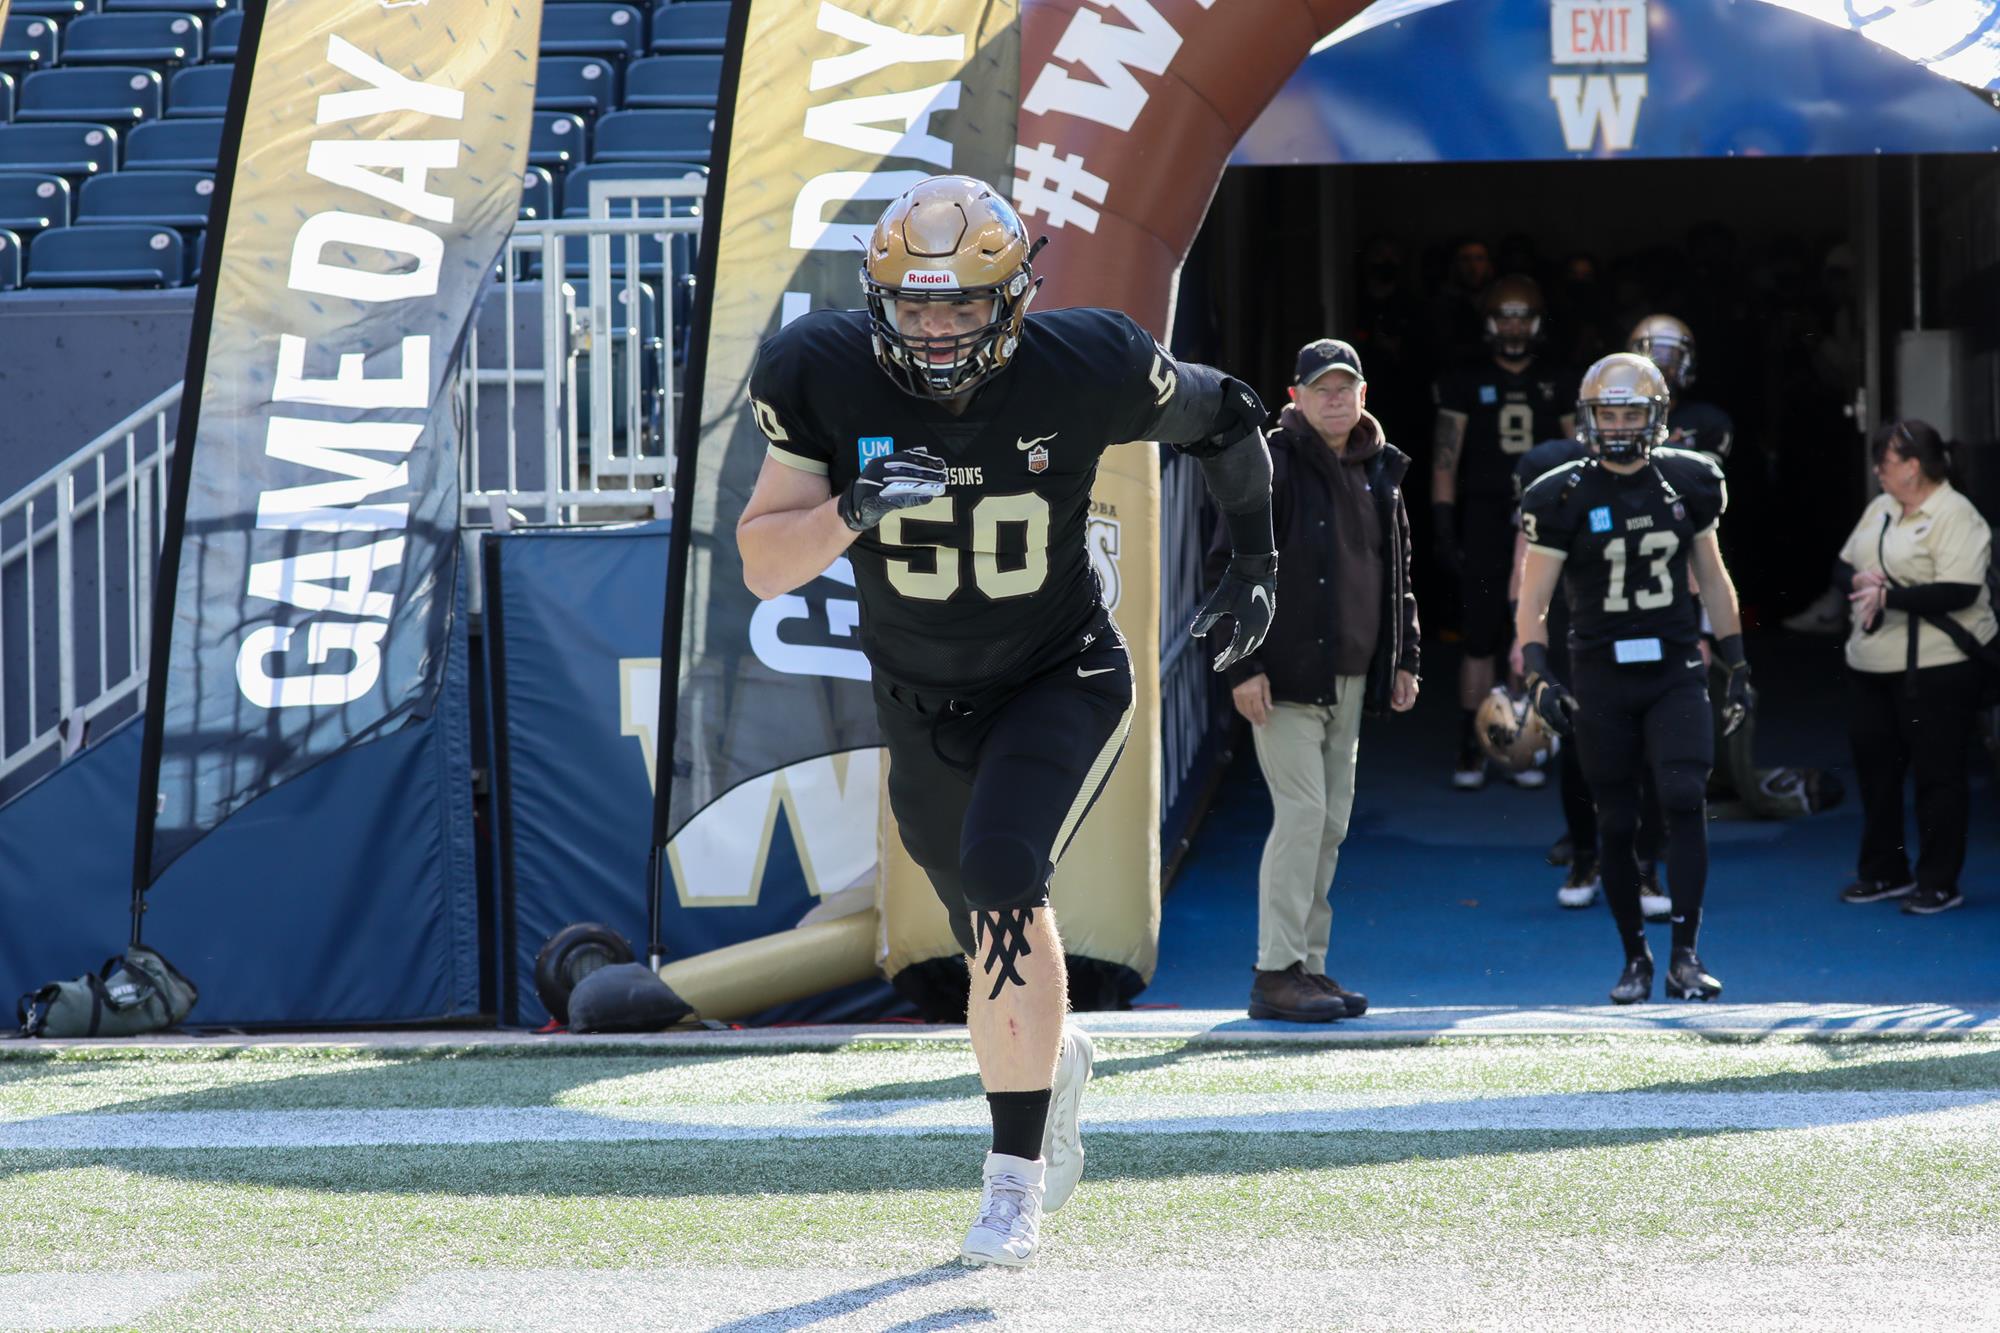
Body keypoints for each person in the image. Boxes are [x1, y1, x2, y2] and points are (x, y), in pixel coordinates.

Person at [736, 176, 1277, 1267]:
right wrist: (853, 506)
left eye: (961, 306)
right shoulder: (817, 370)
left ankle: (1010, 1180)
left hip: (1056, 672)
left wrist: (1255, 556)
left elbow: (1227, 416)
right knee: (988, 948)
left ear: (1013, 297)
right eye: (914, 306)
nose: (935, 331)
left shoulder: (1088, 364)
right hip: (920, 699)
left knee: (999, 876)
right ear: (875, 297)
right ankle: (1049, 1062)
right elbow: (760, 562)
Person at [1516, 353, 1751, 1004]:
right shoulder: (1560, 492)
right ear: (1590, 418)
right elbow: (1532, 601)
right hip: (1600, 670)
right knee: (1615, 821)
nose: (1619, 426)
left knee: (1682, 795)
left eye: (1630, 413)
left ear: (1657, 418)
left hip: (1674, 666)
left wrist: (1736, 659)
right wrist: (1537, 673)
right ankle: (1634, 958)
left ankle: (1686, 952)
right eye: (1609, 414)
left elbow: (1713, 577)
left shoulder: (1688, 482)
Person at [1208, 339, 1420, 1023]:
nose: (1334, 397)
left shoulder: (1380, 468)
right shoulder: (1267, 463)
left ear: (1364, 394)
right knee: (1302, 818)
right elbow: (1226, 565)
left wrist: (1405, 658)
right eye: (1320, 387)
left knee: (1329, 824)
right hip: (1285, 676)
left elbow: (1397, 576)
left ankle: (1311, 967)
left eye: (1345, 386)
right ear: (1295, 396)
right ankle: (1275, 972)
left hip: (1352, 675)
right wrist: (1240, 664)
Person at [1835, 421, 1997, 915]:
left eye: (1883, 462)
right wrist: (1861, 579)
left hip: (1937, 668)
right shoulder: (1881, 508)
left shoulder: (1956, 513)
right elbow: (1841, 566)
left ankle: (1939, 879)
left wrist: (1889, 596)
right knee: (1876, 772)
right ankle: (1884, 870)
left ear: (1911, 466)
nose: (1877, 471)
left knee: (1938, 775)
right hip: (1870, 662)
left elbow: (1961, 589)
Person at [1434, 275, 1577, 789]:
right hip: (1486, 515)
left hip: (1543, 515)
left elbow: (1577, 448)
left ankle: (1523, 737)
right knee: (1478, 635)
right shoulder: (1466, 379)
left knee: (1528, 628)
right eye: (1506, 315)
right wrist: (1444, 517)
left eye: (1523, 316)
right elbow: (1447, 456)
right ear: (1491, 322)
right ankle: (1472, 743)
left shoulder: (1557, 378)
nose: (1514, 325)